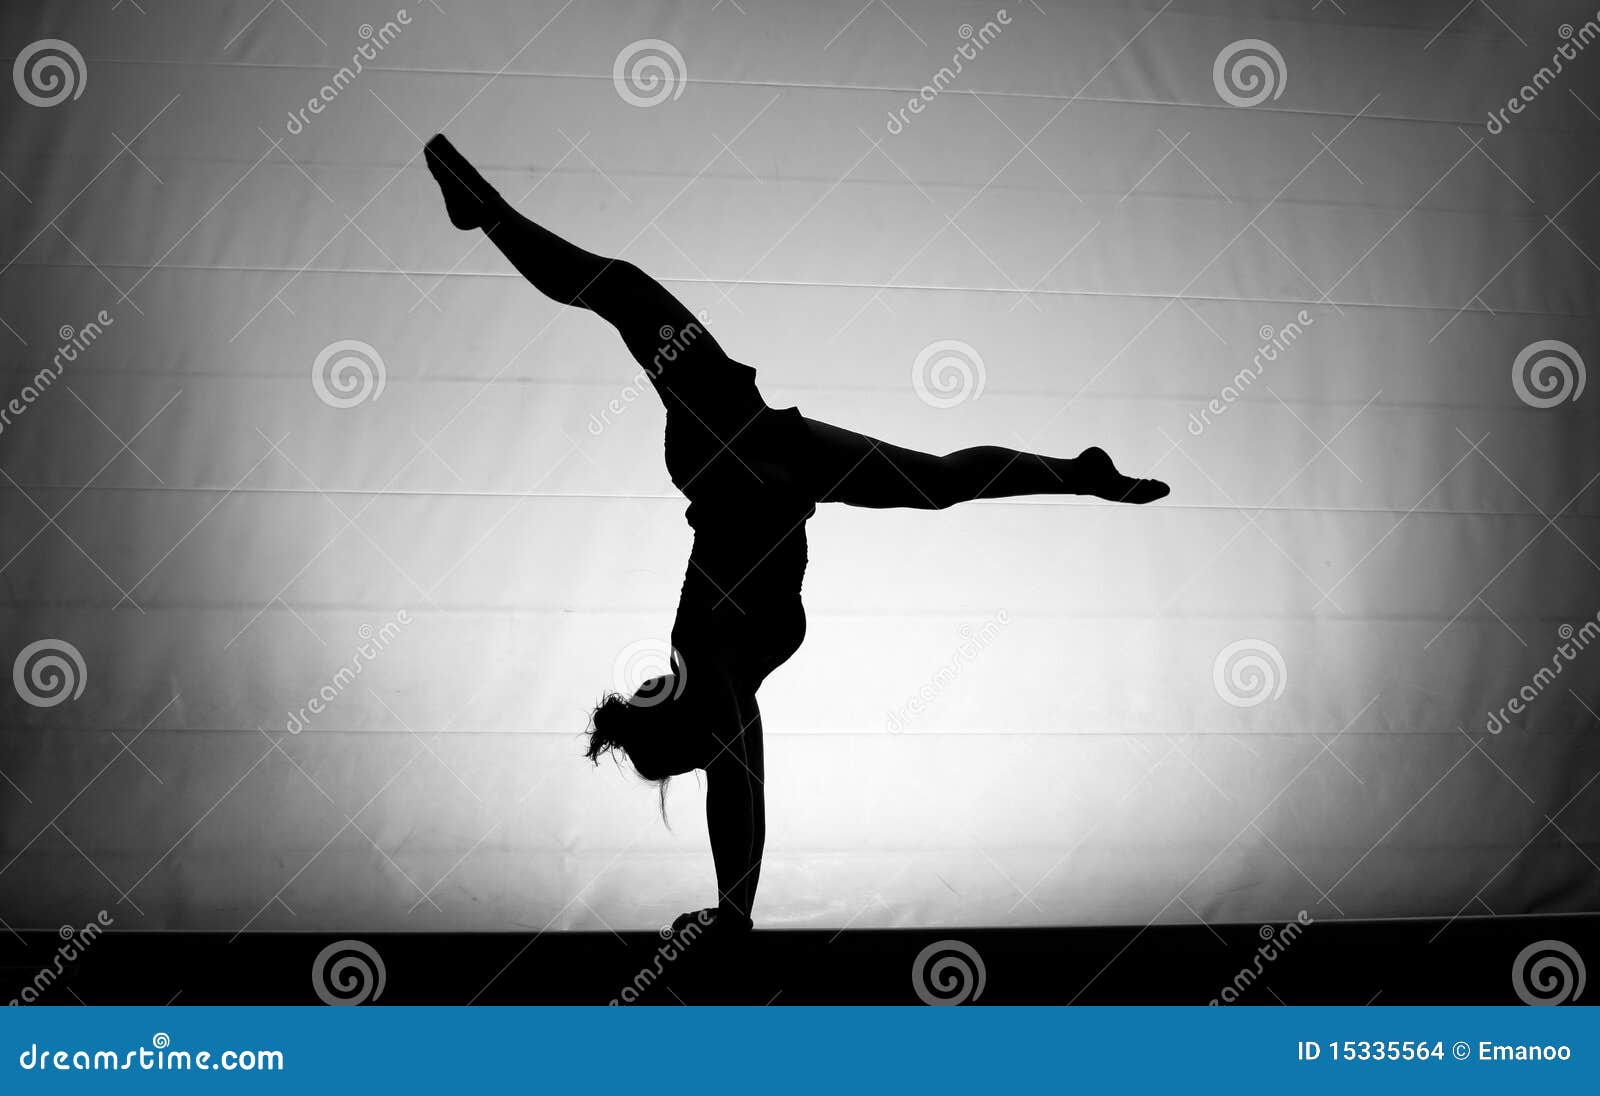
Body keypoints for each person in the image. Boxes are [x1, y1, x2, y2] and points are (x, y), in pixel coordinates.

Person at [424, 134, 1169, 938]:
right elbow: (739, 774)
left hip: (733, 454)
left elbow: (730, 766)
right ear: (678, 723)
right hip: (772, 465)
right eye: (646, 702)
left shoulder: (703, 662)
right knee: (940, 483)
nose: (643, 681)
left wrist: (731, 906)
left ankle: (490, 218)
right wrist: (732, 909)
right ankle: (1078, 472)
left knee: (625, 293)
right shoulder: (719, 677)